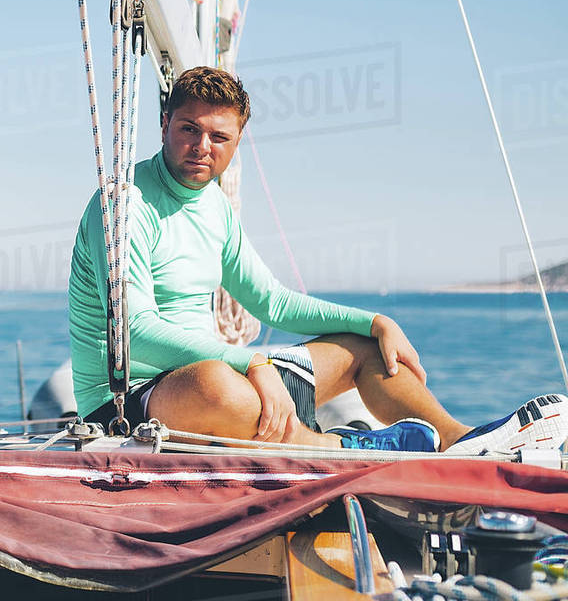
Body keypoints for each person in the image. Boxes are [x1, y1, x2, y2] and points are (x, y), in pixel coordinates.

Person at [68, 66, 568, 453]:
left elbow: (273, 302)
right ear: (164, 125)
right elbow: (136, 332)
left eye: (219, 137)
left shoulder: (214, 207)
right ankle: (346, 449)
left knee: (365, 348)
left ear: (237, 142)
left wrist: (374, 320)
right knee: (218, 383)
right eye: (188, 129)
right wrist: (252, 362)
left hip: (219, 377)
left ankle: (462, 443)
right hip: (128, 402)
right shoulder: (124, 204)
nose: (202, 147)